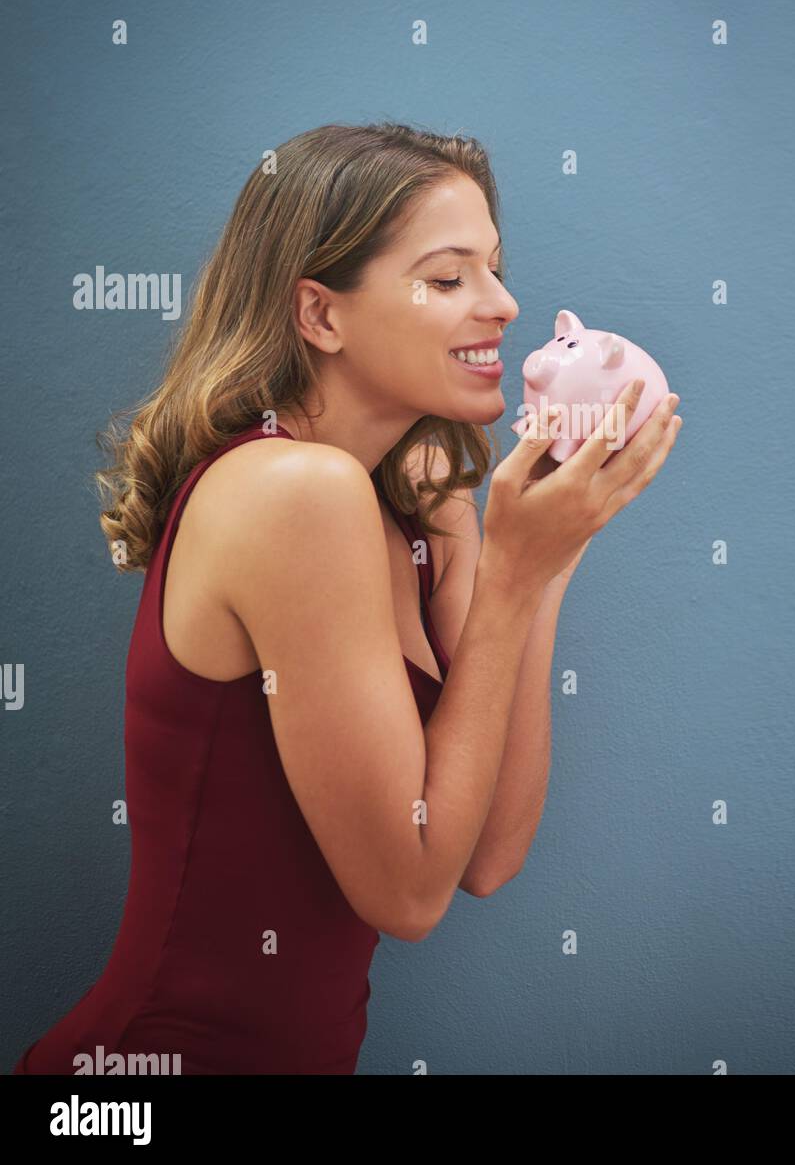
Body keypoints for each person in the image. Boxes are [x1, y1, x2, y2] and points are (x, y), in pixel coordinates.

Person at [11, 121, 681, 1075]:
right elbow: (408, 897)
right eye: (449, 278)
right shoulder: (291, 495)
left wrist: (546, 560)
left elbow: (483, 855)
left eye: (495, 268)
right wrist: (512, 580)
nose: (504, 303)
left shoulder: (420, 502)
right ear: (320, 315)